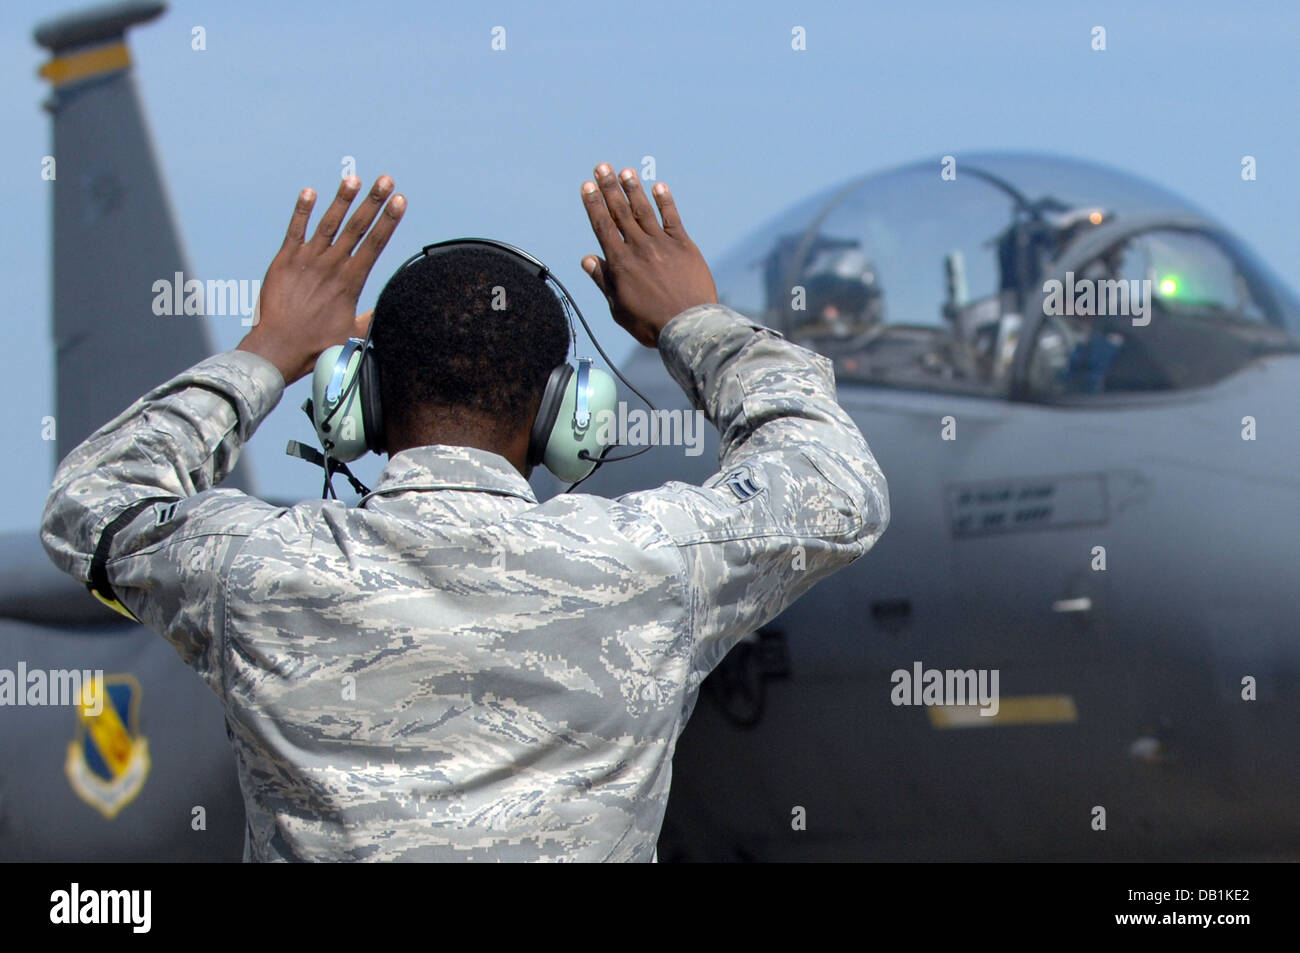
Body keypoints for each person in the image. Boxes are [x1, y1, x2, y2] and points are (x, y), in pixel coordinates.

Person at [41, 163, 889, 861]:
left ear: (358, 405)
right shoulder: (655, 564)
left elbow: (94, 500)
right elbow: (837, 483)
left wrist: (269, 350)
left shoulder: (258, 572)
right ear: (566, 418)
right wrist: (695, 324)